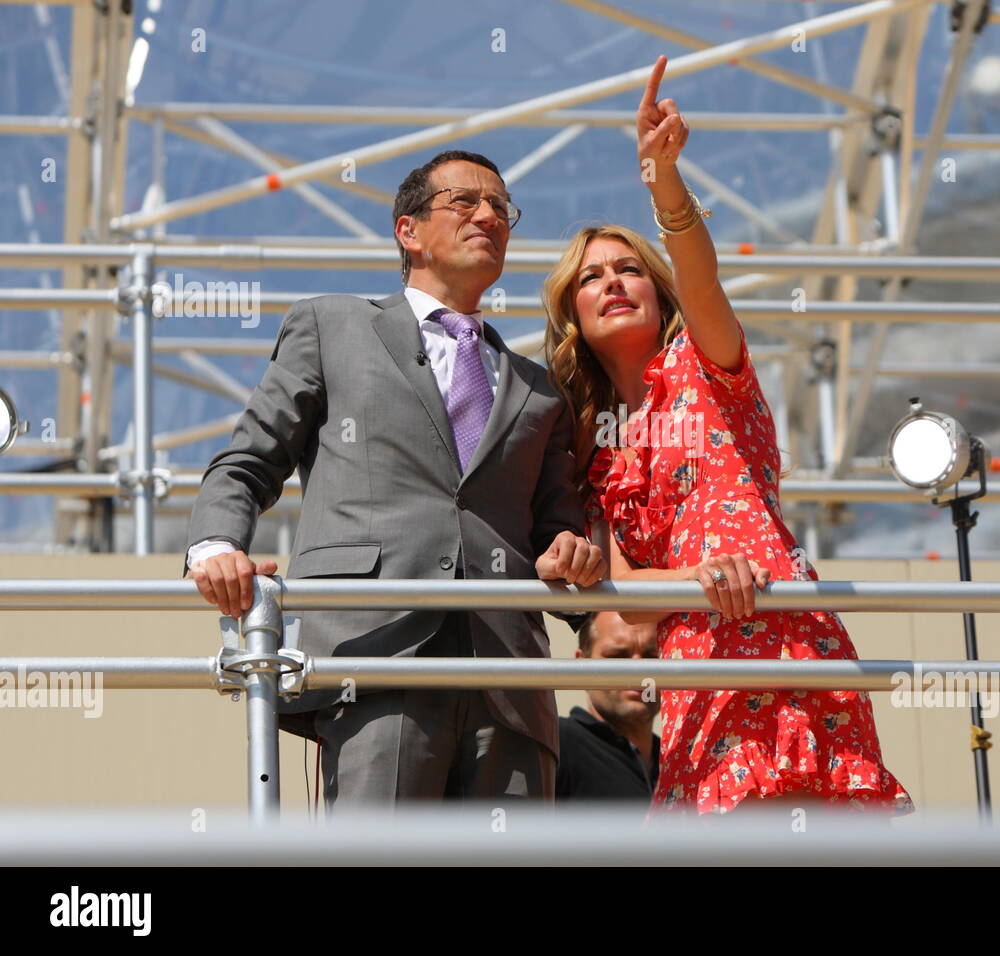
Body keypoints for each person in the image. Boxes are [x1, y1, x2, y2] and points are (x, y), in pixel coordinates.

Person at [542, 57, 915, 817]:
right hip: (696, 657)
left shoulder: (706, 366)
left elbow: (702, 277)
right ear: (573, 315)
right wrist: (676, 579)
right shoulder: (597, 451)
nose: (612, 282)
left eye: (628, 269)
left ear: (654, 286)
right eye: (592, 278)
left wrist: (662, 179)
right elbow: (629, 604)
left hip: (783, 624)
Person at [185, 149, 605, 809]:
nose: (489, 216)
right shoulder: (331, 326)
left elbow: (559, 533)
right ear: (407, 231)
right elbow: (249, 458)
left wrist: (573, 554)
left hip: (512, 682)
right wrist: (214, 547)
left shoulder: (540, 391)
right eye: (465, 202)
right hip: (375, 657)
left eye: (501, 207)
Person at [556, 610, 660, 802]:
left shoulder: (684, 758)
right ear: (581, 667)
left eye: (651, 656)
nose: (639, 671)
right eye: (617, 656)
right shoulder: (555, 744)